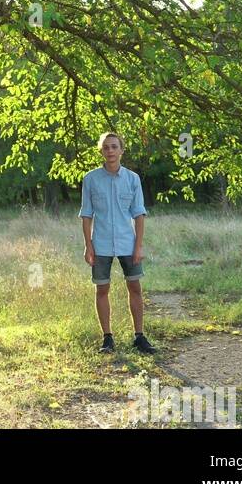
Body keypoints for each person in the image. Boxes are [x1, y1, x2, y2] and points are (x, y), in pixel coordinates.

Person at [78, 132, 157, 354]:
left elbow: (139, 214)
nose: (110, 151)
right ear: (101, 151)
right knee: (102, 289)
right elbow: (86, 215)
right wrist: (88, 245)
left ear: (121, 150)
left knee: (135, 287)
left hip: (127, 242)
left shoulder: (133, 179)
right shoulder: (90, 179)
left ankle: (139, 337)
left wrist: (138, 246)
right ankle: (107, 338)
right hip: (100, 244)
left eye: (114, 147)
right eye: (106, 147)